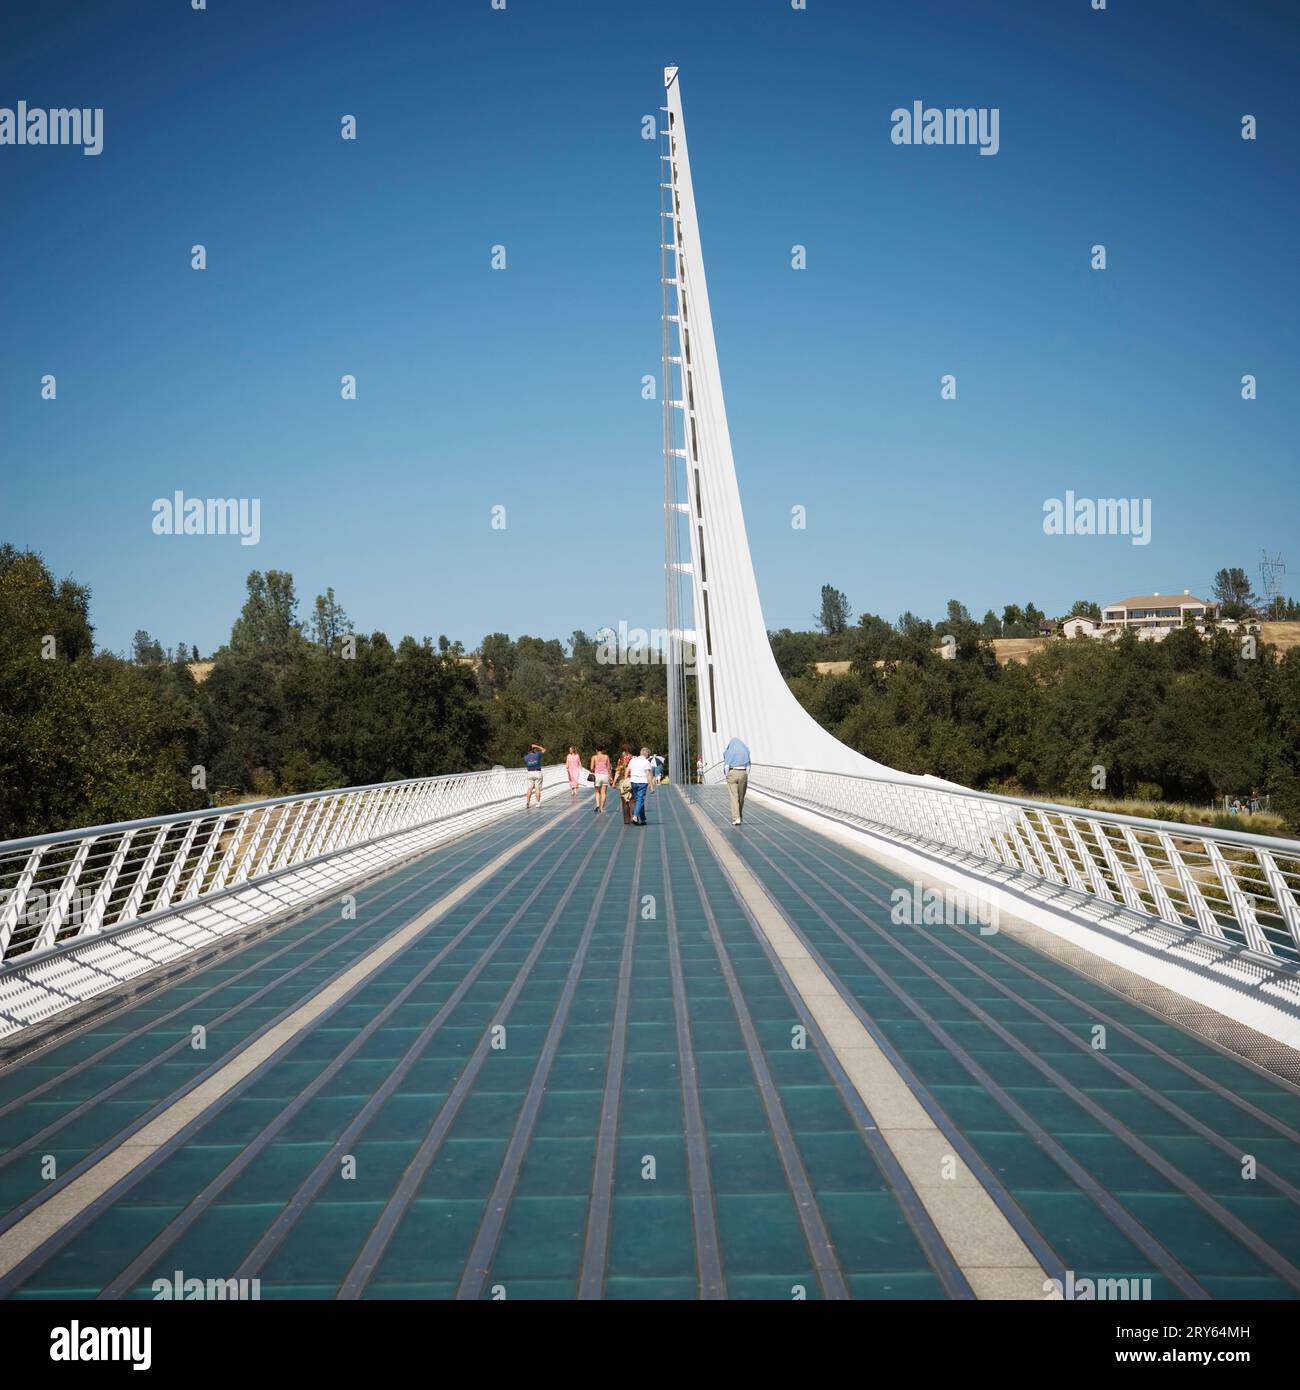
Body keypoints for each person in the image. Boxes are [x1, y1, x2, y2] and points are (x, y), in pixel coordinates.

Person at [722, 735, 750, 825]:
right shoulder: (745, 750)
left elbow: (726, 766)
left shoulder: (729, 751)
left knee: (734, 796)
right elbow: (748, 765)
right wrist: (746, 774)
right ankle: (740, 816)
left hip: (732, 772)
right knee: (741, 797)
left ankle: (736, 818)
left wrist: (727, 776)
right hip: (743, 773)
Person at [628, 746, 655, 824]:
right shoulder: (646, 762)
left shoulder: (633, 760)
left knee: (639, 800)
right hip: (642, 782)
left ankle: (643, 819)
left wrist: (625, 779)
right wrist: (651, 786)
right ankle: (635, 816)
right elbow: (648, 774)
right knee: (640, 799)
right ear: (647, 755)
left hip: (633, 781)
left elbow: (628, 770)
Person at [614, 746, 634, 825]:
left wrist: (614, 782)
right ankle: (634, 817)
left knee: (624, 801)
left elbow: (618, 772)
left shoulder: (621, 760)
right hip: (632, 780)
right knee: (632, 800)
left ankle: (626, 819)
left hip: (623, 782)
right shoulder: (633, 759)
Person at [591, 745, 612, 814]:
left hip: (597, 775)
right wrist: (611, 777)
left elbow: (591, 768)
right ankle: (602, 808)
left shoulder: (594, 757)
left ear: (596, 750)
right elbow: (609, 767)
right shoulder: (606, 757)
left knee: (597, 791)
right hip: (605, 775)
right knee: (603, 793)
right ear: (602, 750)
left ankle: (597, 804)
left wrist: (595, 769)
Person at [523, 742, 546, 808]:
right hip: (537, 772)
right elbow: (544, 750)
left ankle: (527, 803)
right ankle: (538, 803)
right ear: (534, 749)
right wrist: (537, 746)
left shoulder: (525, 757)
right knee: (537, 788)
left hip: (530, 773)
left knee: (529, 788)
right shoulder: (538, 754)